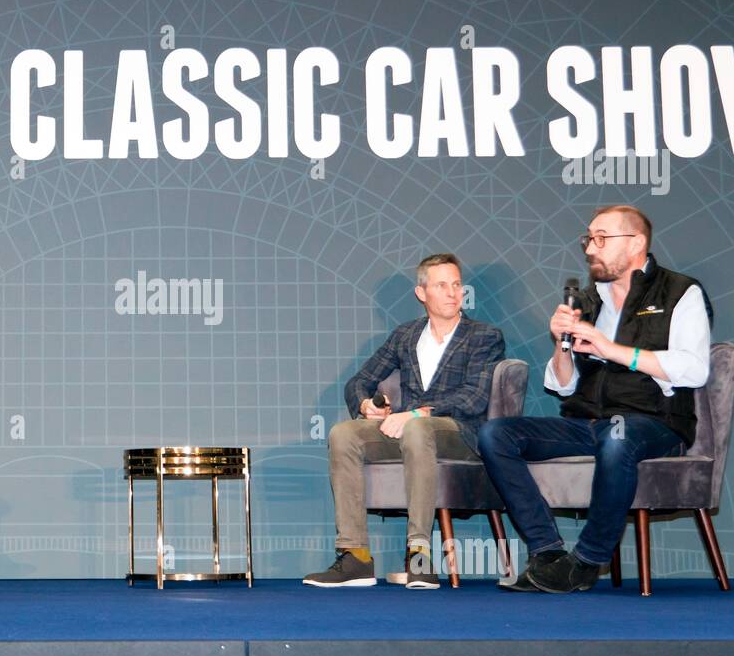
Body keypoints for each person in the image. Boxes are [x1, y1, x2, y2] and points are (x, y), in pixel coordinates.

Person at [478, 205, 711, 593]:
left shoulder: (680, 291)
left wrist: (611, 347)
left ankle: (587, 561)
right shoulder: (587, 300)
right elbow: (563, 386)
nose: (590, 249)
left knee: (617, 436)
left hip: (654, 421)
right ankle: (549, 553)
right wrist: (563, 345)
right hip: (585, 422)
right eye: (589, 238)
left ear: (636, 242)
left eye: (602, 239)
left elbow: (695, 368)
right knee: (495, 435)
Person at [304, 254, 506, 589]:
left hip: (462, 433)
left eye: (457, 284)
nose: (453, 292)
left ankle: (419, 556)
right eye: (442, 285)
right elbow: (358, 382)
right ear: (422, 293)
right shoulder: (406, 336)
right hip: (411, 431)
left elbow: (473, 399)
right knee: (344, 434)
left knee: (416, 427)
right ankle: (356, 557)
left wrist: (416, 413)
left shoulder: (483, 336)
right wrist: (368, 405)